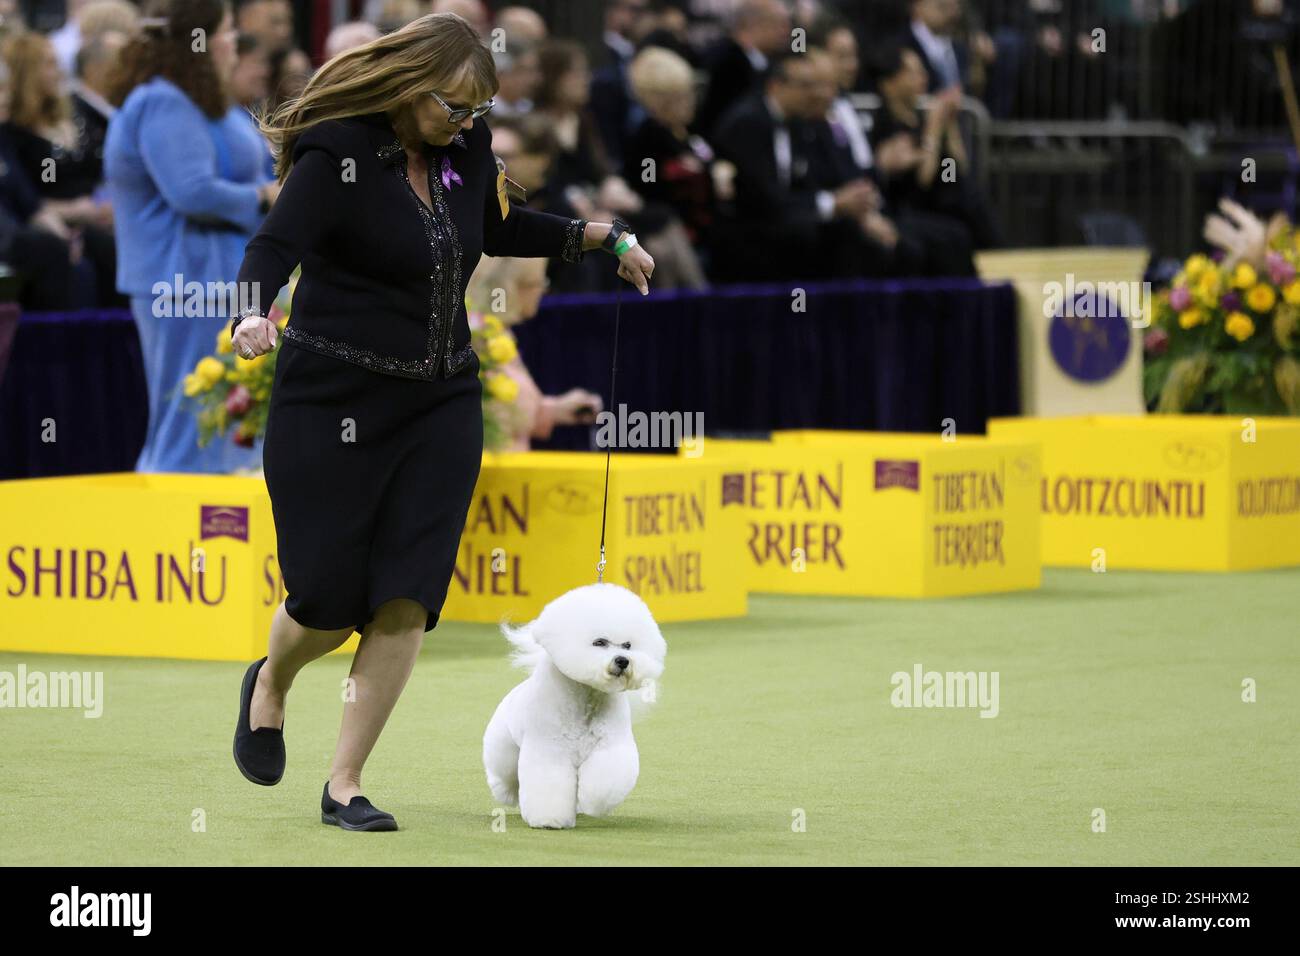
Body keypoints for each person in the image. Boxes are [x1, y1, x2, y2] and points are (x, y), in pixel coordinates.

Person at [228, 12, 654, 831]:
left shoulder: (465, 146)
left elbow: (496, 228)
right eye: (451, 109)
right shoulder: (337, 150)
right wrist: (252, 312)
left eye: (476, 113)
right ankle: (272, 681)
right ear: (405, 85)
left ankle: (344, 784)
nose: (465, 125)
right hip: (332, 400)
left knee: (405, 597)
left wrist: (598, 236)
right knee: (322, 598)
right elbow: (272, 246)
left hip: (441, 400)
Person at [104, 0, 278, 473]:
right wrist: (264, 196)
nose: (231, 42)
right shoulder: (161, 101)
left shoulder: (200, 101)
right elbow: (191, 192)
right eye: (224, 31)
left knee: (227, 412)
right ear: (197, 40)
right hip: (178, 282)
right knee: (189, 412)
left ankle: (221, 524)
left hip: (222, 275)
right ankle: (168, 532)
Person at [465, 253, 603, 450]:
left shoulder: (499, 336)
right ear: (516, 287)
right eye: (541, 283)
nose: (544, 291)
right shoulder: (478, 339)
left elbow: (508, 406)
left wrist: (554, 410)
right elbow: (492, 416)